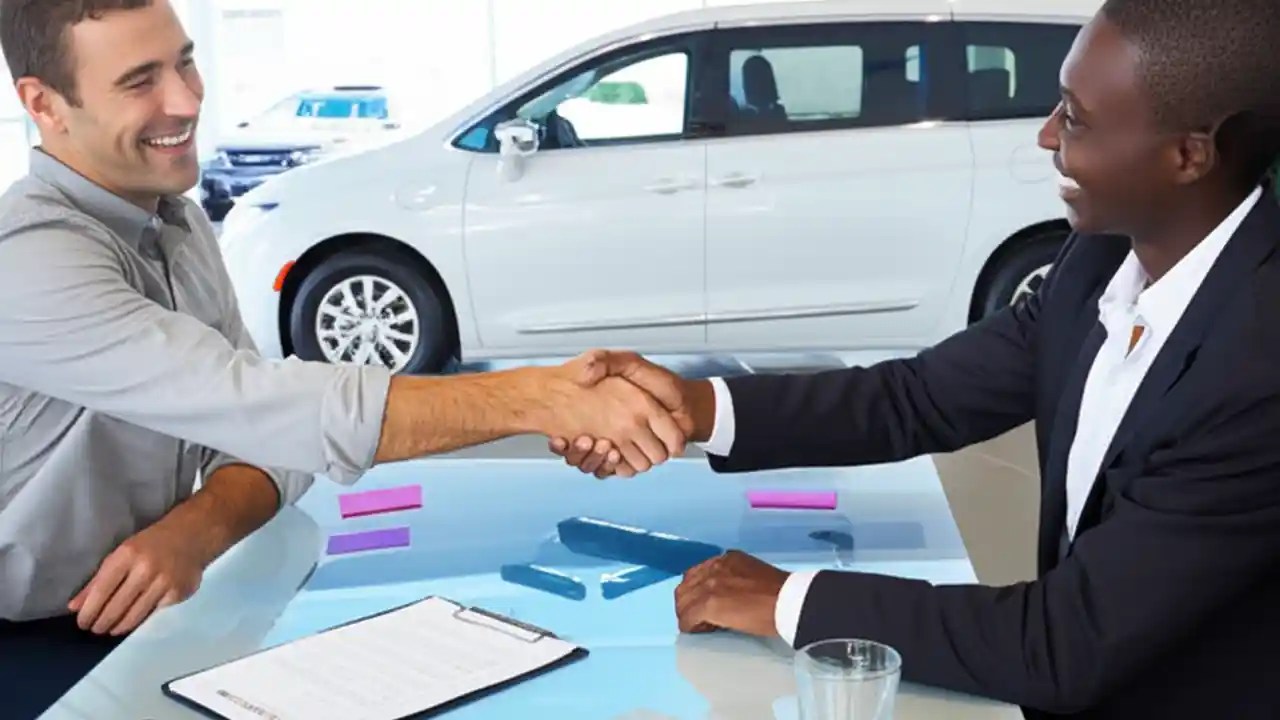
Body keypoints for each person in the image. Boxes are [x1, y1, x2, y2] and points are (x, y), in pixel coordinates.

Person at [554, 1, 1280, 717]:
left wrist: (786, 600)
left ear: (1189, 155)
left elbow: (1064, 643)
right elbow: (921, 396)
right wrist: (697, 407)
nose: (1045, 134)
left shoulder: (1257, 368)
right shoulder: (1100, 258)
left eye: (1075, 118)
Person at [0, 0, 688, 713]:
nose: (186, 98)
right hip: (26, 653)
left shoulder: (174, 223)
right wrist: (541, 397)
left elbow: (273, 442)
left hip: (152, 619)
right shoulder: (29, 261)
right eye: (140, 81)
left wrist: (195, 530)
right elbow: (267, 406)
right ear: (43, 103)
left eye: (185, 60)